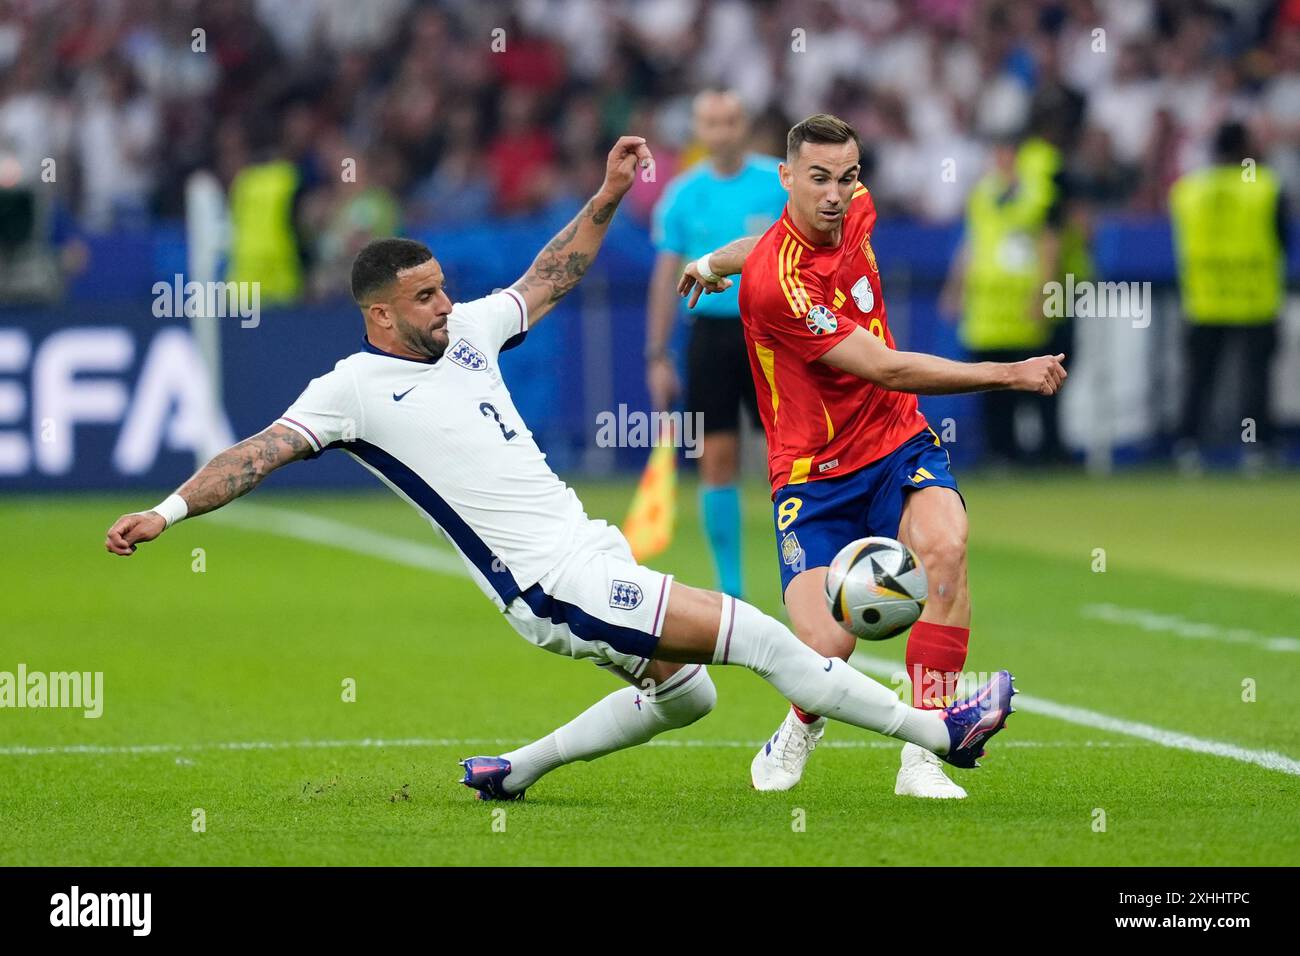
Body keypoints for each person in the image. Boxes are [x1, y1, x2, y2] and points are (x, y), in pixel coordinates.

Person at [104, 136, 1016, 801]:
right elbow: (253, 453)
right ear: (380, 315)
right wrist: (169, 512)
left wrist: (611, 192)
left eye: (442, 288)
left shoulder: (464, 334)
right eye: (424, 297)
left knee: (688, 698)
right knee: (767, 639)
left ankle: (517, 771)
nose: (445, 303)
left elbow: (551, 273)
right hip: (545, 583)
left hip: (590, 547)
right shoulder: (350, 389)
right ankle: (941, 732)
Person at [678, 114, 1064, 799]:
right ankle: (802, 719)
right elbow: (883, 367)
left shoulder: (852, 209)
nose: (835, 194)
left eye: (847, 177)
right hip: (812, 474)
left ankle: (922, 758)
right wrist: (1009, 373)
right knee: (831, 647)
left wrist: (710, 263)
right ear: (787, 178)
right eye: (818, 179)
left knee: (945, 550)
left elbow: (754, 244)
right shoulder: (780, 285)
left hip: (895, 443)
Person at [645, 90, 786, 597]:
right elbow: (666, 276)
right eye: (711, 122)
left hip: (773, 330)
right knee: (717, 455)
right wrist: (657, 353)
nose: (722, 131)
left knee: (791, 454)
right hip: (710, 337)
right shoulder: (683, 194)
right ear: (699, 130)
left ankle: (803, 570)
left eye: (730, 120)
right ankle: (733, 589)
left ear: (744, 124)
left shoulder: (779, 182)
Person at [1170, 121, 1289, 473]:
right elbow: (1282, 239)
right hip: (1255, 296)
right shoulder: (1264, 186)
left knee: (1200, 378)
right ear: (1243, 148)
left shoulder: (1189, 189)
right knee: (1254, 380)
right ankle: (1255, 448)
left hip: (1205, 297)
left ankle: (1187, 446)